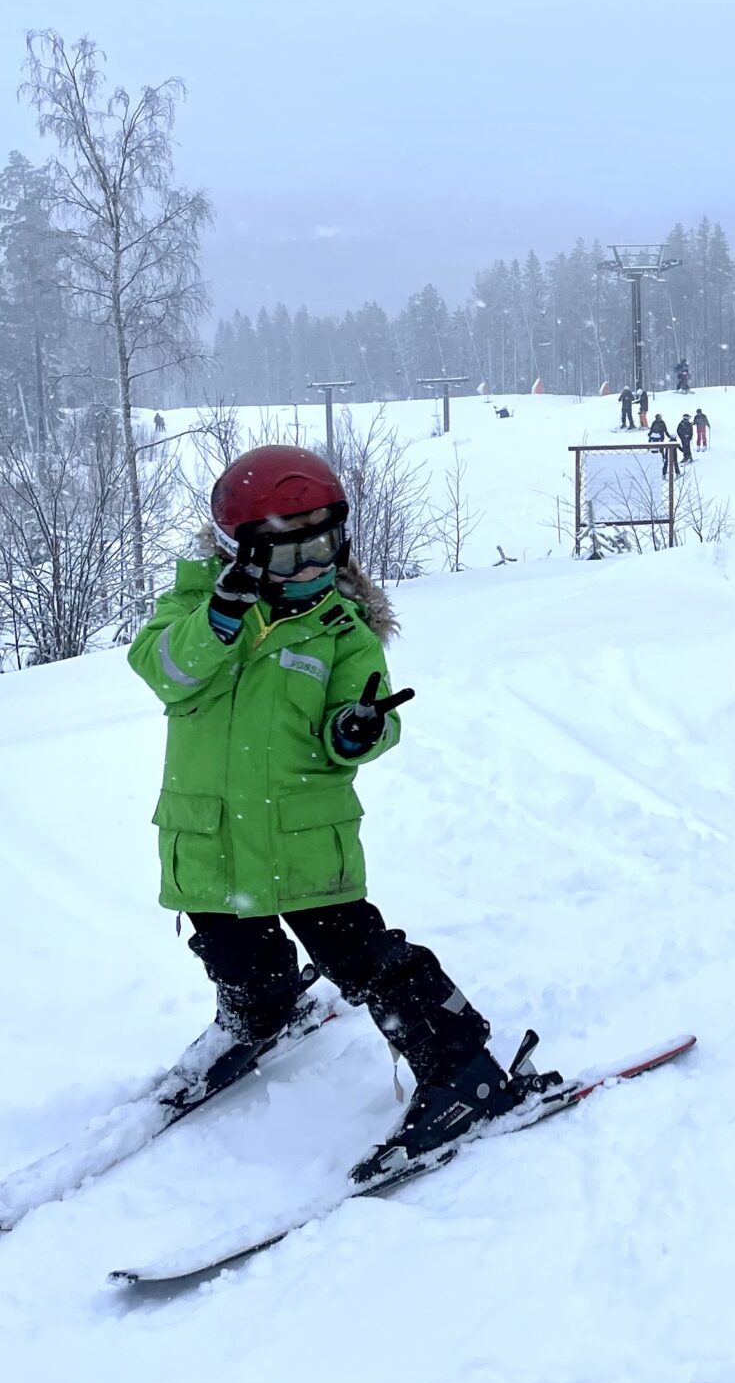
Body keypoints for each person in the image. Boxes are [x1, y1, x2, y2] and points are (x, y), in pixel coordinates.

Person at [127, 446, 551, 1179]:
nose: (310, 568)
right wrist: (223, 616)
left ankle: (461, 1065)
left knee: (364, 959)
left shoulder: (343, 632)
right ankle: (258, 1011)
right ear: (236, 552)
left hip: (301, 841)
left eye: (324, 547)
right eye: (287, 554)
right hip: (209, 838)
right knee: (234, 949)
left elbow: (371, 719)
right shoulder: (194, 612)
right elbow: (164, 672)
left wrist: (356, 731)